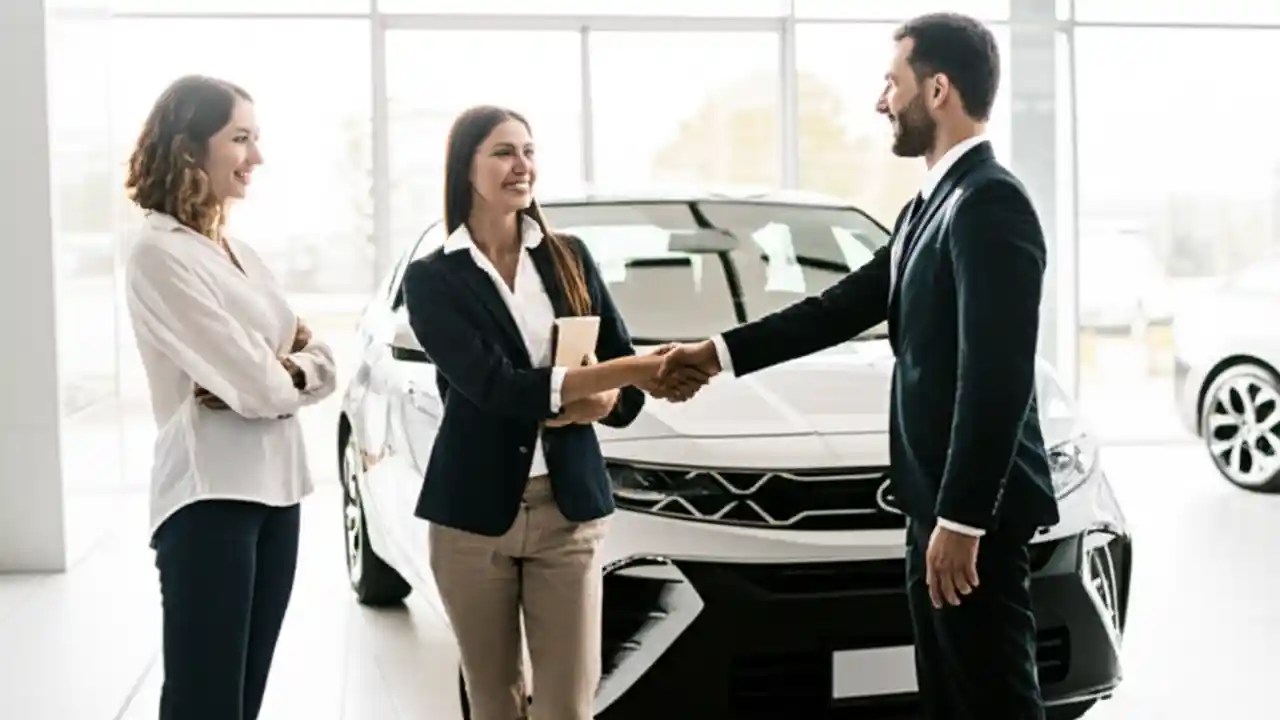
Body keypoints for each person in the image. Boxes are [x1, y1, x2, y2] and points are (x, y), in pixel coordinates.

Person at [657, 13, 1061, 720]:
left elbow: (997, 376)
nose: (882, 102)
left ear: (937, 90)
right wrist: (715, 355)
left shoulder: (990, 203)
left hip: (975, 517)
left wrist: (963, 520)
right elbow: (837, 308)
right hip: (930, 504)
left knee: (993, 700)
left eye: (891, 83)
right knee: (948, 696)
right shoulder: (926, 207)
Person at [400, 105, 702, 720]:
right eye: (504, 152)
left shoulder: (569, 256)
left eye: (529, 151)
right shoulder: (432, 279)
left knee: (569, 705)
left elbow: (625, 390)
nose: (522, 166)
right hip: (471, 519)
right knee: (495, 701)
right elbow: (499, 389)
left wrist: (611, 393)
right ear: (466, 168)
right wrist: (633, 371)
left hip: (568, 512)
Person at [122, 75, 337, 720]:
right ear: (190, 150)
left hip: (279, 490)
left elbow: (319, 361)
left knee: (244, 699)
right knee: (205, 703)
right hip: (209, 497)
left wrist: (287, 372)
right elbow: (255, 384)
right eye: (239, 138)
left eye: (256, 138)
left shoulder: (237, 252)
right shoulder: (158, 254)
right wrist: (281, 373)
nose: (256, 157)